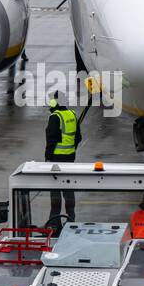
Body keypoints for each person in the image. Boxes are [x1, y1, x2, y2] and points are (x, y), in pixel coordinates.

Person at [44, 92, 79, 228]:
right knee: (68, 189)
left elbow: (51, 139)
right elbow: (78, 137)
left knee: (55, 190)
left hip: (56, 159)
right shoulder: (72, 114)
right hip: (70, 157)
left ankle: (54, 221)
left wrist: (47, 157)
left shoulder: (55, 117)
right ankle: (71, 219)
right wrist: (71, 149)